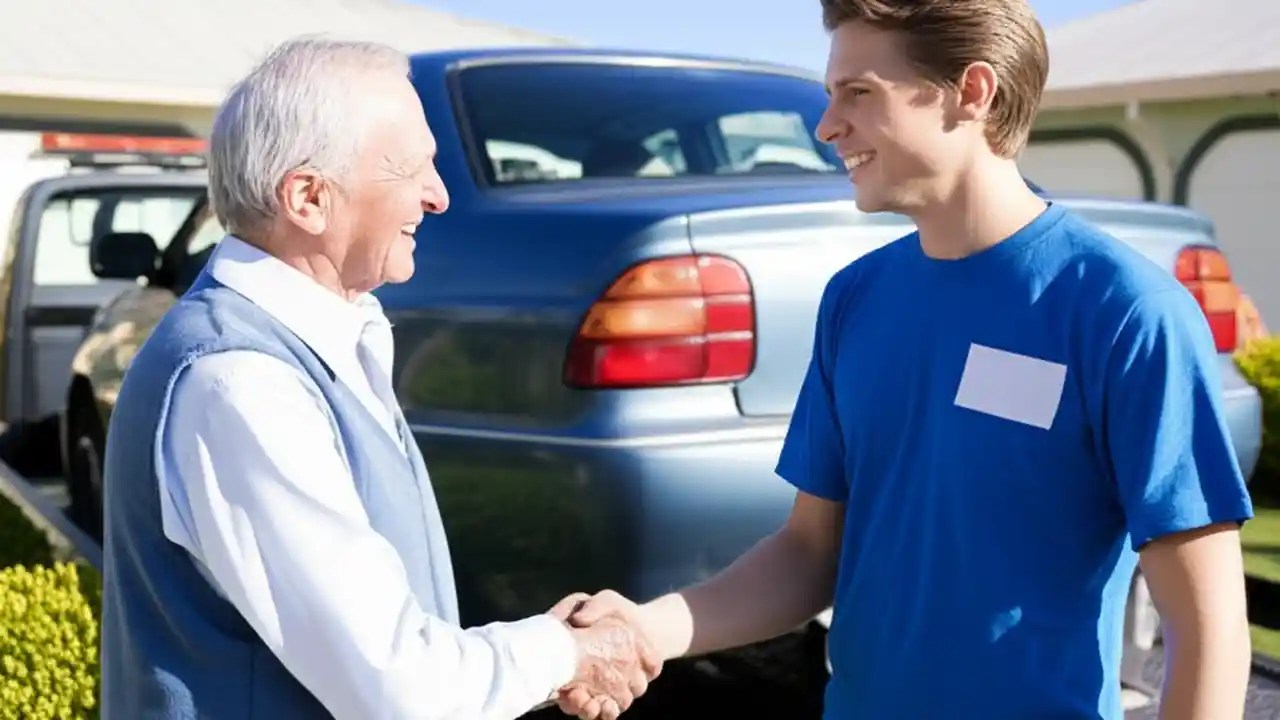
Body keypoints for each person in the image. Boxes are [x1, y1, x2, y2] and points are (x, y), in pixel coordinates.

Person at [556, 1, 1255, 718]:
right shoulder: (856, 299)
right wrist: (644, 629)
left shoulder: (1124, 312)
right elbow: (809, 553)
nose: (827, 126)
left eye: (858, 93)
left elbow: (1208, 627)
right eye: (831, 95)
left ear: (971, 92)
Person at [98, 37, 659, 720]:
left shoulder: (314, 340)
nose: (439, 195)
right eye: (412, 167)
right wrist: (566, 653)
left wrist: (550, 648)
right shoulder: (239, 382)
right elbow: (402, 690)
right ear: (309, 198)